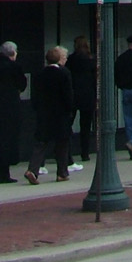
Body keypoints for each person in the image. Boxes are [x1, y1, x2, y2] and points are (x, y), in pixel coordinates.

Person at [25, 46, 75, 184]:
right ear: (59, 59)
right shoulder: (64, 73)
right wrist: (70, 109)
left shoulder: (40, 74)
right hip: (60, 115)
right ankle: (62, 173)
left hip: (44, 114)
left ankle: (33, 170)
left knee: (41, 143)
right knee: (62, 144)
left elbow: (34, 95)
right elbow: (68, 95)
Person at [0, 41, 27, 184]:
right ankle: (5, 171)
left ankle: (2, 171)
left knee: (1, 137)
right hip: (11, 105)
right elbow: (22, 84)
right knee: (10, 137)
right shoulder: (14, 67)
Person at [67, 36, 97, 164]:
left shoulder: (71, 59)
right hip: (88, 95)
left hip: (73, 94)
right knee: (86, 126)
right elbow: (95, 78)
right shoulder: (91, 59)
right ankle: (85, 153)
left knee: (68, 123)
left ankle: (67, 152)